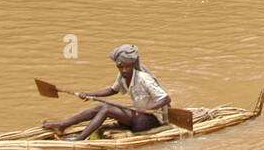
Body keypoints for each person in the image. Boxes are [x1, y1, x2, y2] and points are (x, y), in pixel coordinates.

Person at [43, 44, 171, 141]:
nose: (124, 70)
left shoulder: (144, 78)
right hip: (138, 116)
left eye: (127, 67)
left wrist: (148, 109)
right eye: (121, 67)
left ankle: (78, 140)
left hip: (151, 119)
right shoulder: (122, 76)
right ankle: (63, 125)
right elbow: (112, 90)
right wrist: (91, 94)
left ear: (133, 65)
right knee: (99, 107)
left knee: (106, 109)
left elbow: (166, 99)